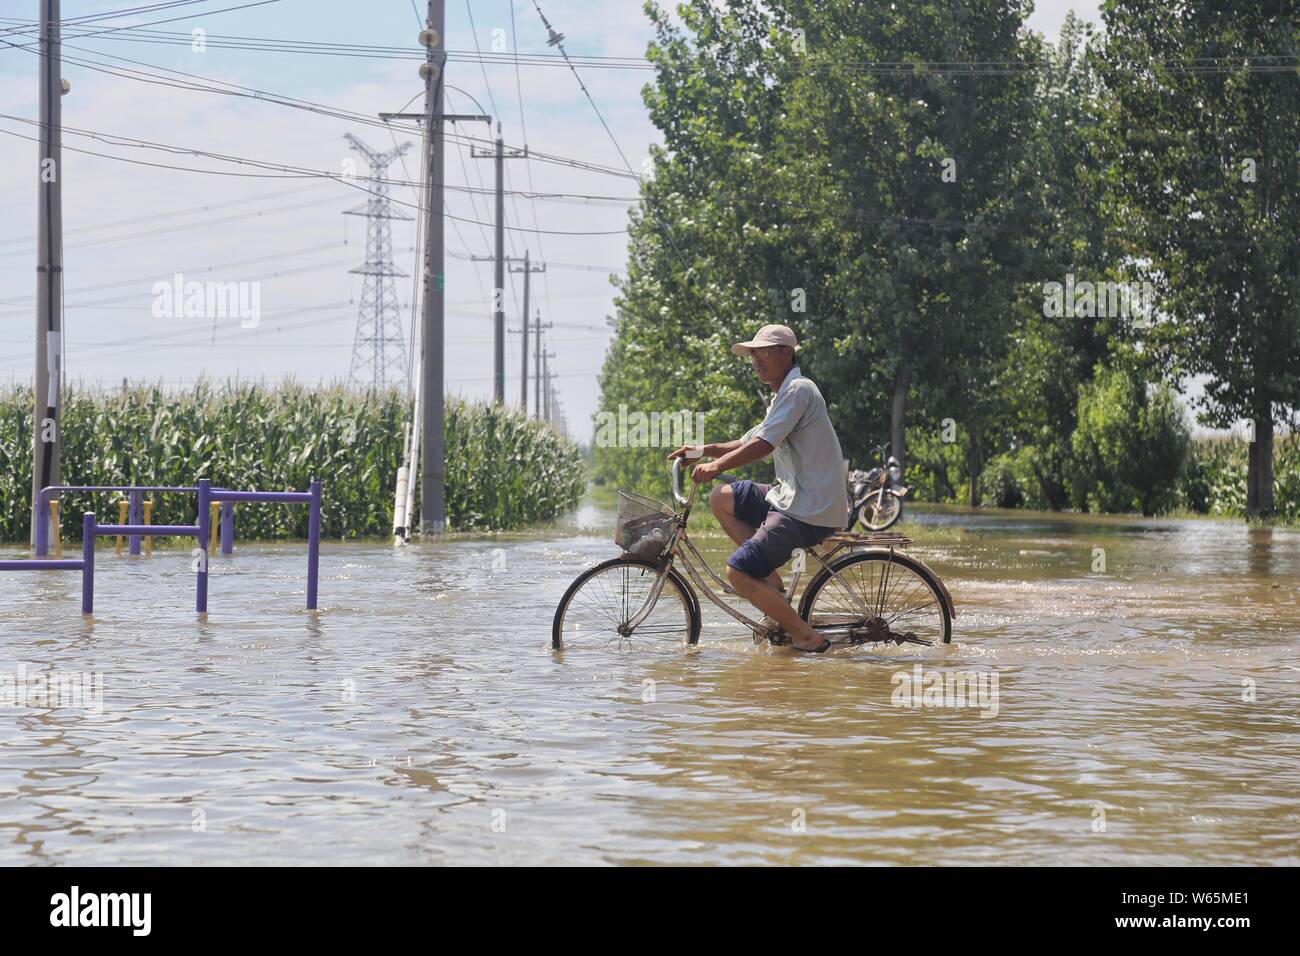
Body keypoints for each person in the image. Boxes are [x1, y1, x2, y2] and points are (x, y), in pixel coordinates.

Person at [668, 324, 848, 652]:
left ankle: (806, 636)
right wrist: (699, 452)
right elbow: (745, 441)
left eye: (763, 352)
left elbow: (763, 446)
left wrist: (717, 467)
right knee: (723, 497)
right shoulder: (783, 395)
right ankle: (770, 581)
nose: (756, 360)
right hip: (792, 495)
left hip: (809, 508)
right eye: (753, 354)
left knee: (737, 573)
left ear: (786, 353)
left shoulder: (798, 390)